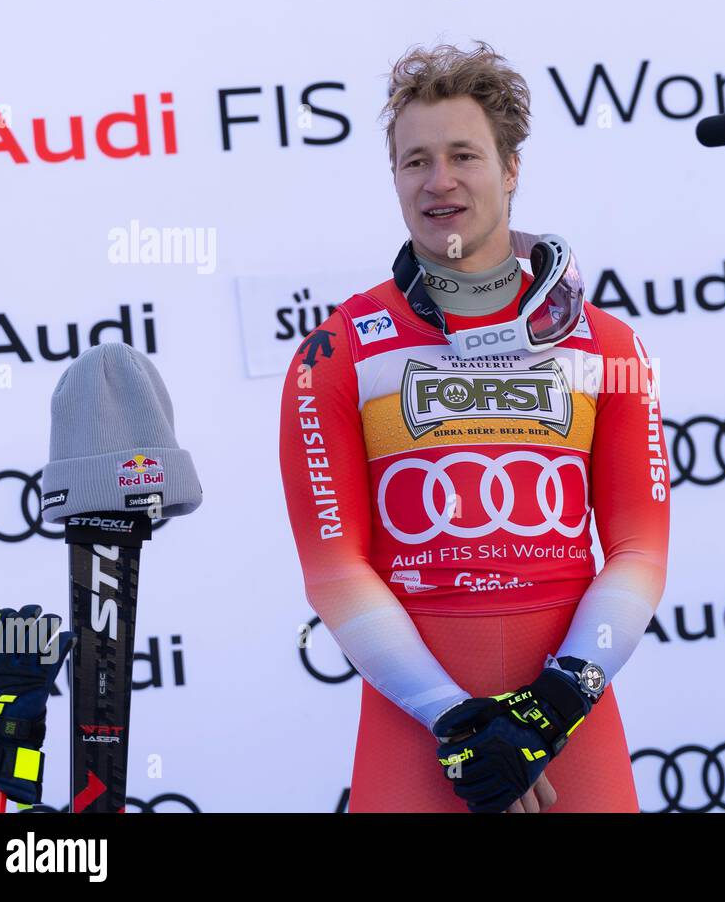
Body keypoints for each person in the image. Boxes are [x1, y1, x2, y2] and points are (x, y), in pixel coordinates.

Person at [279, 42, 669, 812]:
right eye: (414, 161)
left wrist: (553, 705)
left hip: (569, 727)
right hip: (418, 731)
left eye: (464, 154)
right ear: (393, 177)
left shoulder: (609, 346)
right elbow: (333, 569)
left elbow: (639, 550)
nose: (439, 181)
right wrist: (453, 717)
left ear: (512, 168)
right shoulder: (335, 350)